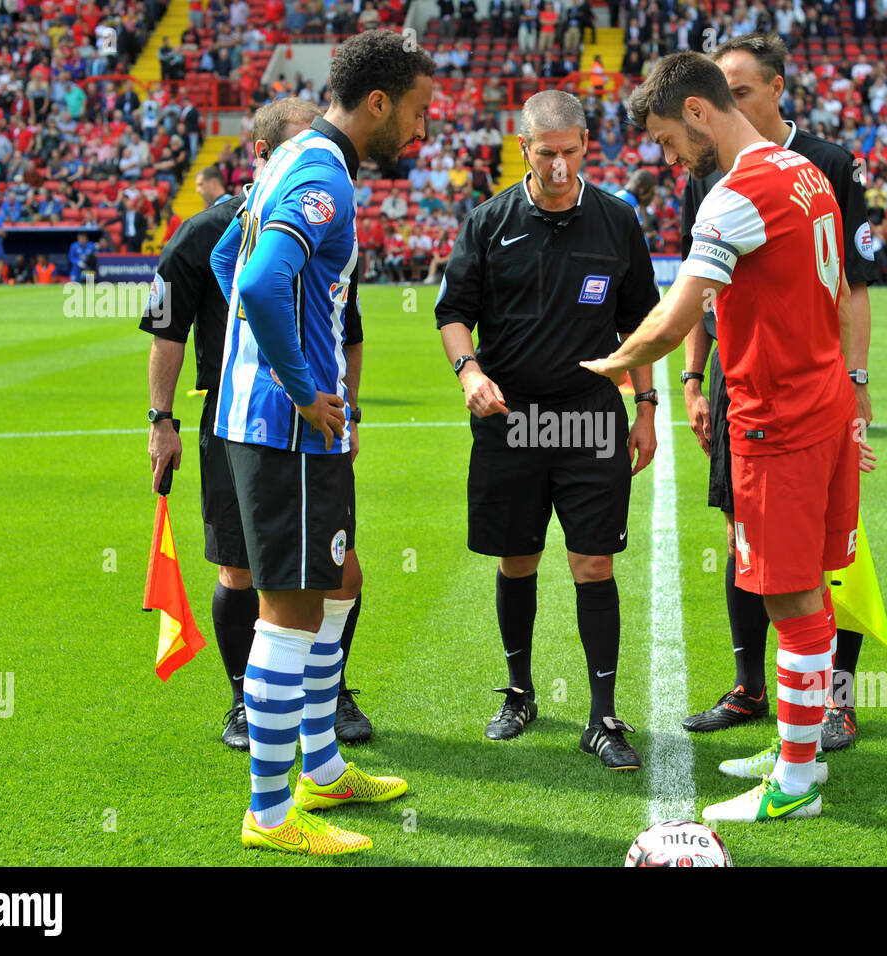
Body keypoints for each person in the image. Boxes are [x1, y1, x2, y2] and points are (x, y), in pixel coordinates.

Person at [587, 51, 860, 823]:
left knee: (789, 593)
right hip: (825, 398)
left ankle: (798, 784)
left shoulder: (735, 193)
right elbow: (829, 290)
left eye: (672, 140)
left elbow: (676, 317)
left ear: (699, 114)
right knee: (808, 584)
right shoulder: (804, 171)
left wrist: (610, 363)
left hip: (781, 416)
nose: (672, 157)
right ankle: (796, 746)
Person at [210, 30, 434, 855]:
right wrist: (306, 389)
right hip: (286, 433)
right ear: (377, 102)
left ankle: (324, 767)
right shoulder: (321, 173)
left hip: (277, 426)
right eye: (416, 112)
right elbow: (262, 281)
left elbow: (234, 254)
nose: (420, 132)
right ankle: (270, 816)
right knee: (292, 610)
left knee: (339, 577)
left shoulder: (291, 155)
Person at [435, 89, 660, 770]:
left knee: (594, 561)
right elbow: (452, 312)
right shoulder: (488, 221)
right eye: (545, 153)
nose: (559, 167)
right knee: (517, 558)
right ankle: (521, 691)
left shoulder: (618, 222)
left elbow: (643, 326)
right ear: (523, 148)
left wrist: (646, 407)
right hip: (511, 419)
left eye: (569, 153)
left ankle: (602, 716)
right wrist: (469, 371)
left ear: (586, 146)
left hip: (592, 418)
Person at [678, 34, 878, 752]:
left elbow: (853, 285)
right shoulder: (707, 170)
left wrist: (856, 384)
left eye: (743, 92)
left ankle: (837, 702)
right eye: (719, 94)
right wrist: (695, 380)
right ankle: (751, 687)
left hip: (811, 389)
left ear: (778, 88)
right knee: (743, 535)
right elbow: (704, 292)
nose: (729, 107)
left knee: (825, 554)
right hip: (745, 387)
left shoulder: (824, 163)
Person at [144, 97, 322, 753]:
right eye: (293, 146)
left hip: (314, 420)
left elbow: (350, 329)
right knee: (240, 570)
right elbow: (165, 330)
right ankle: (245, 700)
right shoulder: (205, 232)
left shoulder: (325, 221)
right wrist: (161, 421)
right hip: (233, 415)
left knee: (331, 568)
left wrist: (350, 409)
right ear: (259, 154)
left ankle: (325, 697)